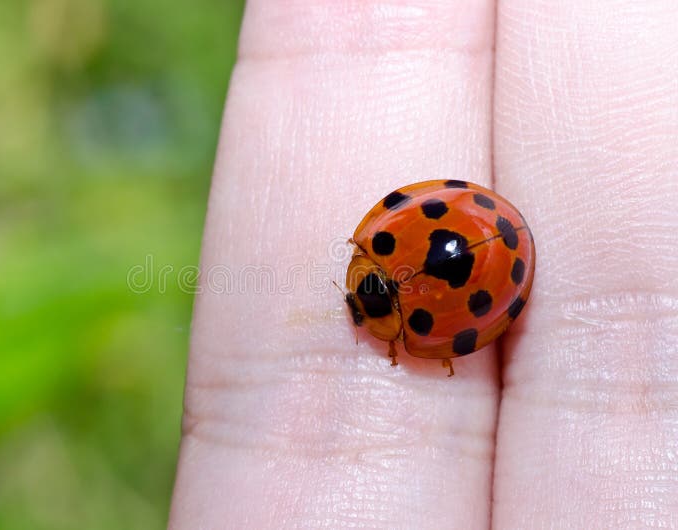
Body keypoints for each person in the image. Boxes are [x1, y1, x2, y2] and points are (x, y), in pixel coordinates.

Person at [170, 0, 678, 527]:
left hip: (489, 233)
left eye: (358, 302)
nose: (356, 310)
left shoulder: (406, 310)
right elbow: (412, 217)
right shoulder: (379, 246)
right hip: (484, 225)